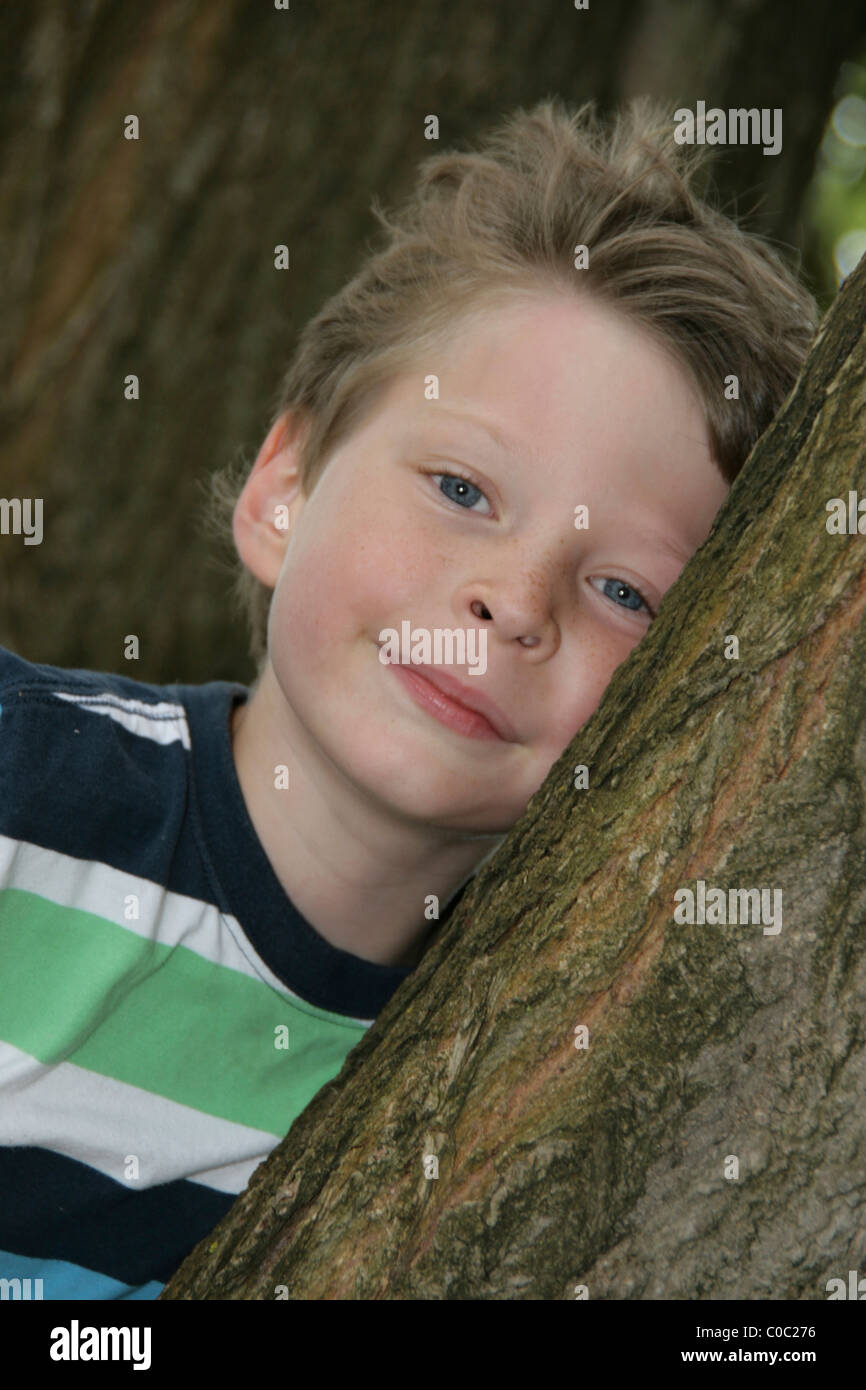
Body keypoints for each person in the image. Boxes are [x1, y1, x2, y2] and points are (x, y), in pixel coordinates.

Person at [0, 96, 818, 1299]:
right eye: (460, 487)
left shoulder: (528, 1066)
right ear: (285, 488)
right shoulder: (22, 786)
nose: (515, 598)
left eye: (624, 592)